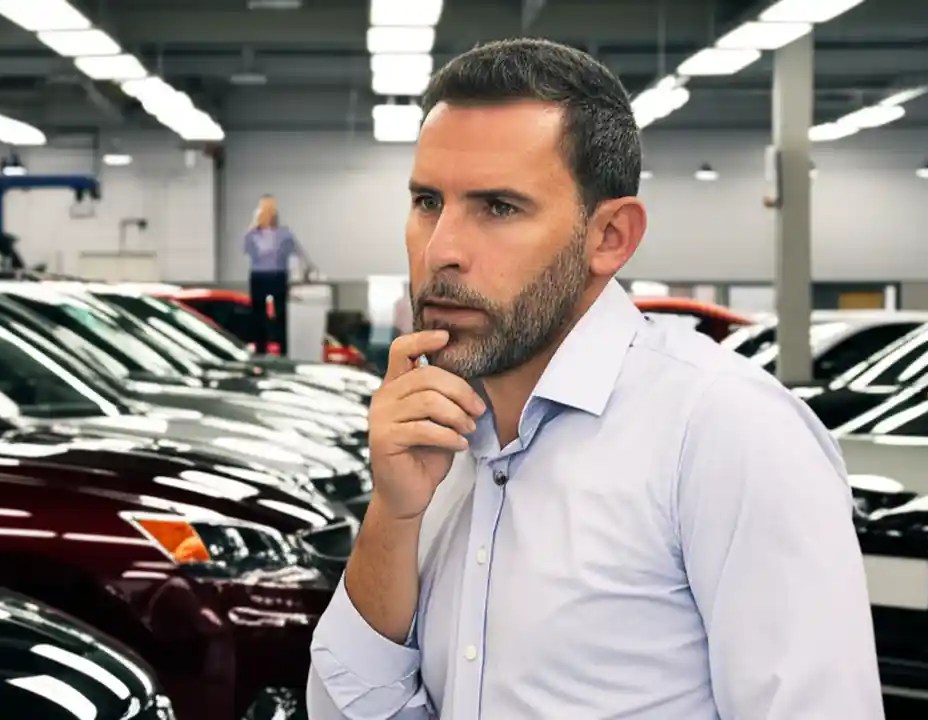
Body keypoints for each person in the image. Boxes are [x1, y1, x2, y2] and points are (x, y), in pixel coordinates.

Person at [308, 38, 882, 719]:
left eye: (498, 207)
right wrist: (393, 516)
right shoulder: (440, 441)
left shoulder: (725, 431)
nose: (441, 252)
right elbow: (353, 708)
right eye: (428, 201)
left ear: (609, 236)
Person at [243, 195, 308, 355]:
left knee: (280, 315)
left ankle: (283, 349)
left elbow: (297, 253)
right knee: (258, 316)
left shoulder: (284, 233)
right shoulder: (253, 234)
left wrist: (303, 273)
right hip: (259, 276)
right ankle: (261, 349)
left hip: (278, 275)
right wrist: (253, 227)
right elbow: (247, 249)